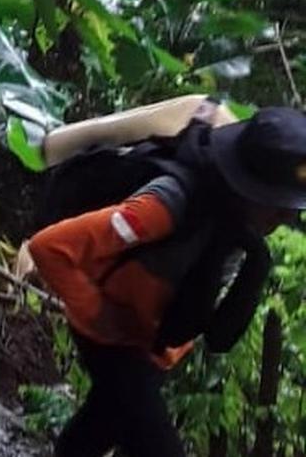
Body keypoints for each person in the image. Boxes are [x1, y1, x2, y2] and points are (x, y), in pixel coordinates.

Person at [24, 105, 306, 457]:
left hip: (154, 347)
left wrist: (257, 267)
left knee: (93, 434)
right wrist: (98, 315)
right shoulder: (165, 204)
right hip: (111, 335)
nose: (286, 217)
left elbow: (219, 336)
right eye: (278, 205)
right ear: (247, 187)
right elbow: (48, 247)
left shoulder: (236, 229)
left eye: (291, 208)